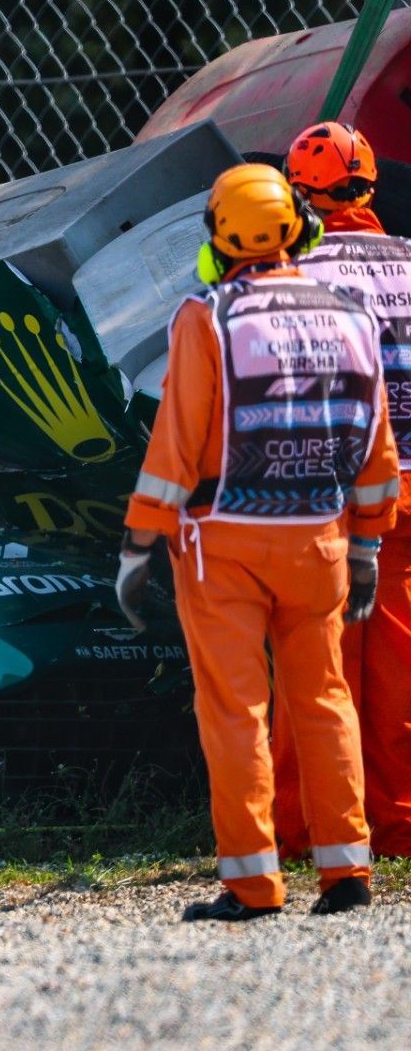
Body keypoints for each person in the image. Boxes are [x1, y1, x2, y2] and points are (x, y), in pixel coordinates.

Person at [116, 163, 395, 921]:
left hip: (224, 547)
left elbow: (175, 449)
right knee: (326, 699)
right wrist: (368, 544)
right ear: (298, 231)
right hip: (322, 541)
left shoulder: (206, 317)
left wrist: (140, 543)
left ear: (217, 238)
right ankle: (348, 872)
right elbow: (377, 450)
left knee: (236, 712)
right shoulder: (351, 313)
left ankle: (252, 884)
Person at [269, 121, 411, 863]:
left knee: (314, 671)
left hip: (320, 499)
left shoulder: (291, 274)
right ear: (370, 187)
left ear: (299, 191)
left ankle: (311, 831)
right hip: (406, 495)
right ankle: (400, 828)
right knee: (399, 670)